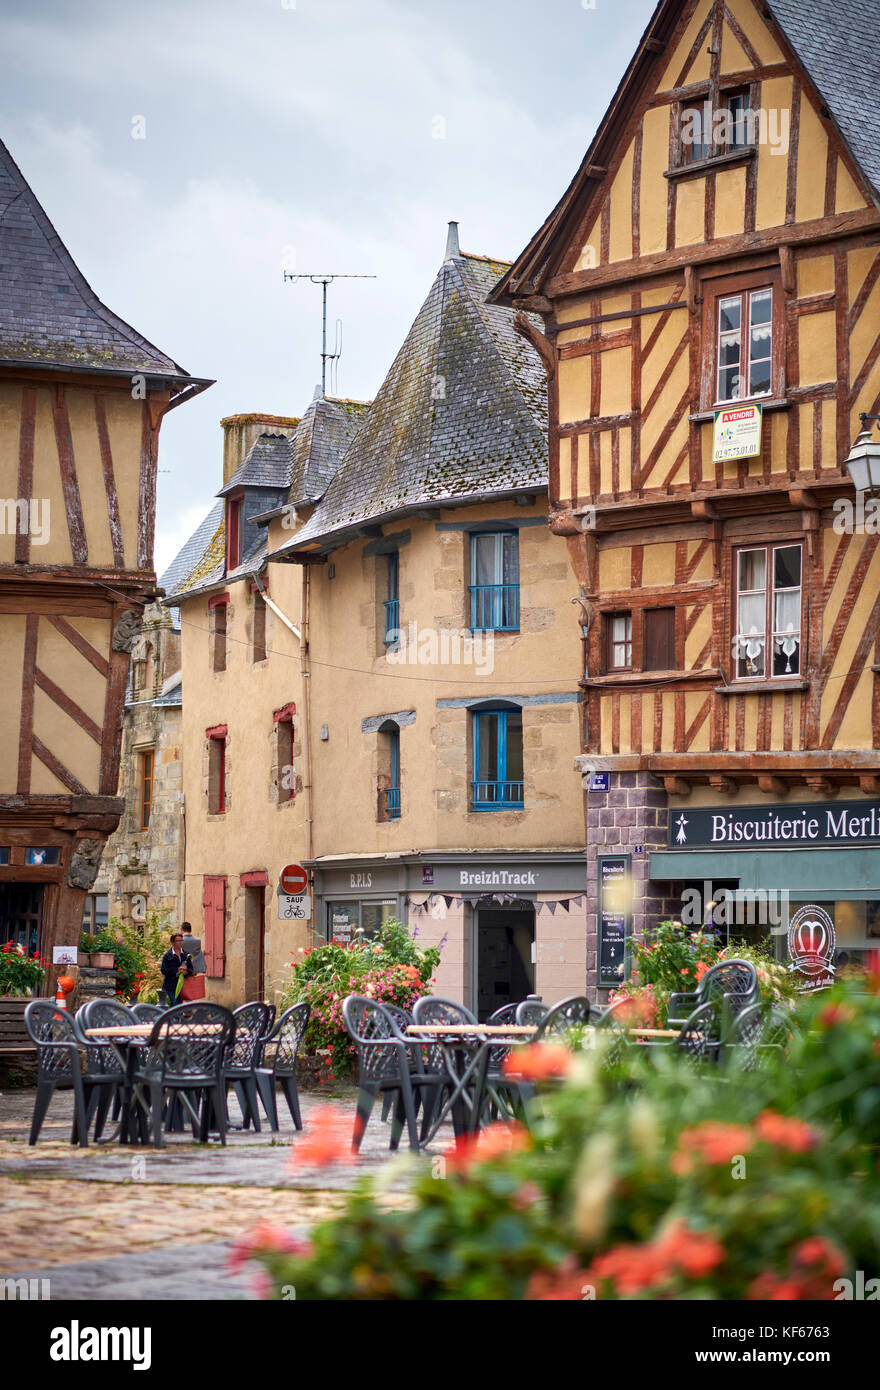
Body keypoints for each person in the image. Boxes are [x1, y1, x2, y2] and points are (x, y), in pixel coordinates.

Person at [160, 931, 193, 1005]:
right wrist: (177, 970)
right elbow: (163, 970)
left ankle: (173, 1016)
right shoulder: (167, 956)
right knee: (176, 1005)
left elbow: (191, 970)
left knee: (179, 1006)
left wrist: (186, 972)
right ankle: (175, 1016)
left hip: (184, 986)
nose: (180, 942)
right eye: (178, 941)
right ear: (172, 942)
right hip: (170, 986)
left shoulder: (186, 954)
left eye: (181, 940)